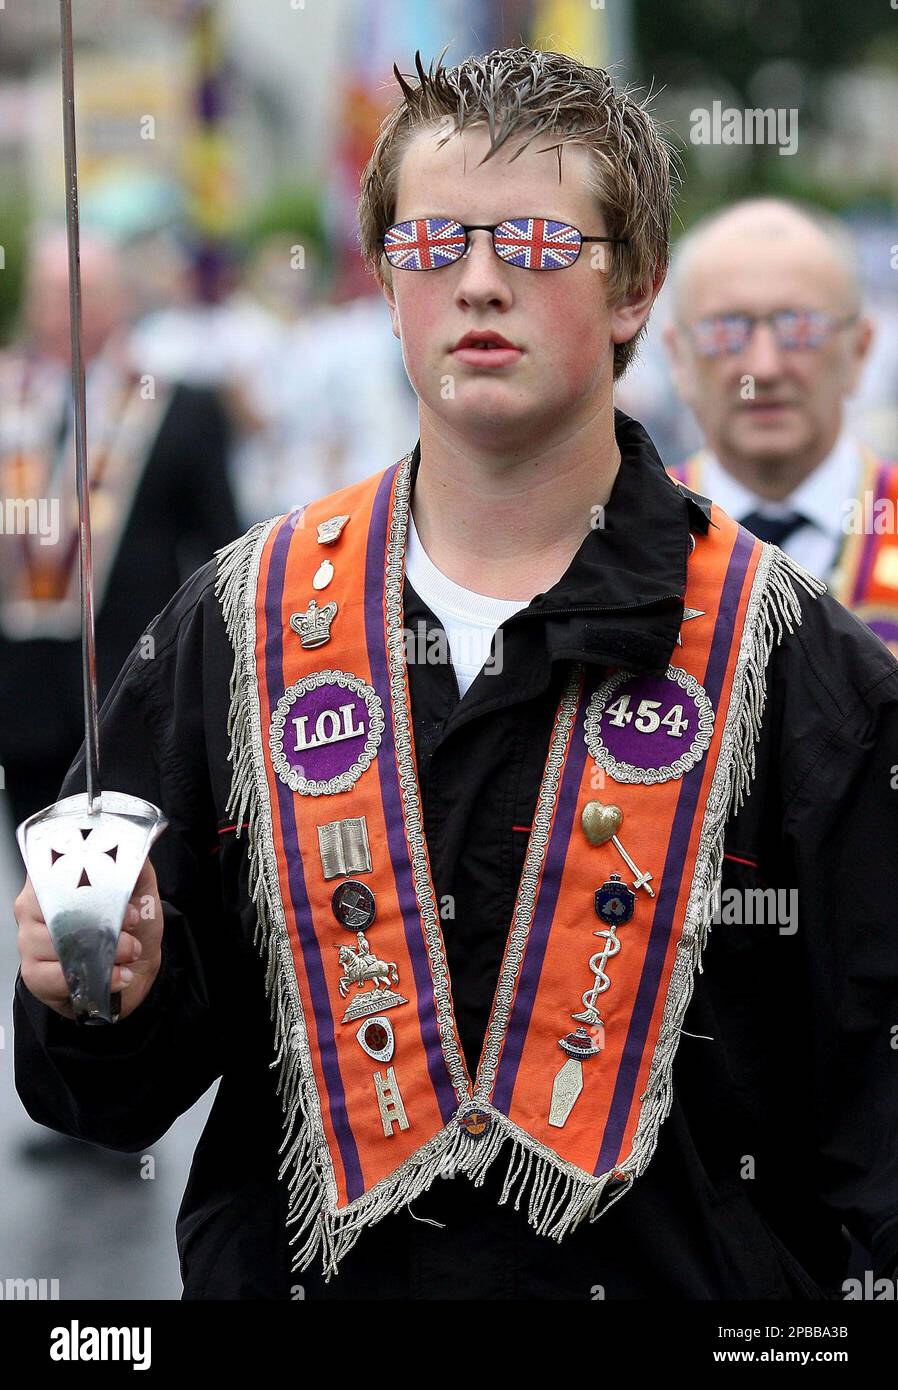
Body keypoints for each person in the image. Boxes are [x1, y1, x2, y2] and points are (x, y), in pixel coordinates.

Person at [12, 47, 898, 1301]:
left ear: (635, 285)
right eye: (432, 246)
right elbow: (109, 1094)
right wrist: (89, 989)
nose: (477, 283)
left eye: (536, 242)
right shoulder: (239, 621)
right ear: (385, 283)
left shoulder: (798, 657)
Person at [0, 226, 240, 831]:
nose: (63, 311)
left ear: (120, 303)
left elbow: (223, 554)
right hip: (20, 703)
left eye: (80, 294)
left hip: (133, 700)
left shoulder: (179, 410)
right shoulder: (8, 405)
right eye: (50, 294)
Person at [662, 198, 898, 655]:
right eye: (727, 329)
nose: (764, 368)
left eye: (800, 327)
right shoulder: (623, 540)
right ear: (679, 359)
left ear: (861, 350)